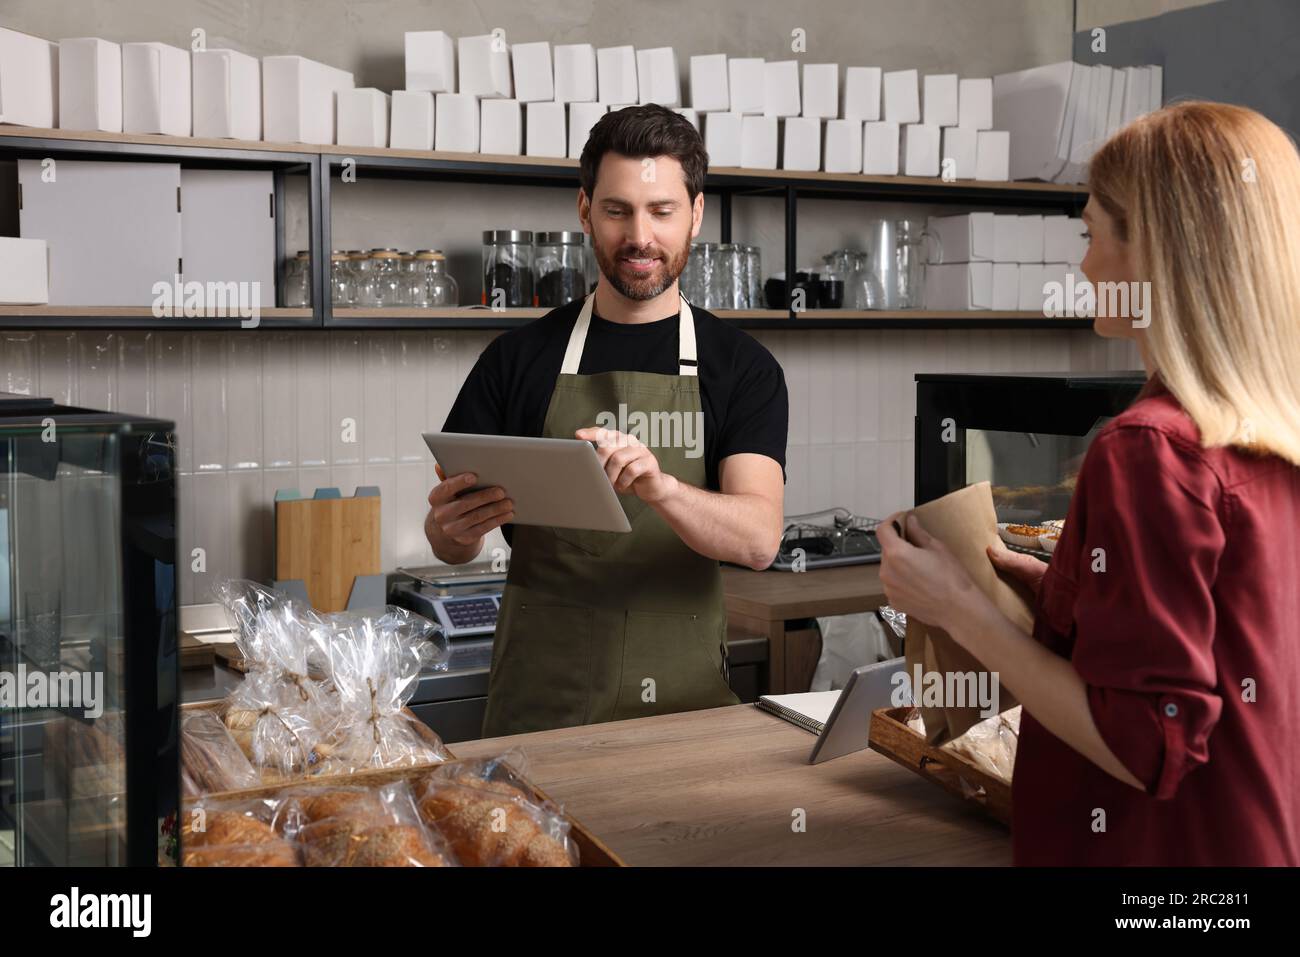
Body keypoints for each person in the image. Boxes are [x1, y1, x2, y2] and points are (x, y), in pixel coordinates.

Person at [877, 101, 1300, 865]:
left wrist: (961, 610)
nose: (1083, 266)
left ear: (1157, 253)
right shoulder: (1269, 434)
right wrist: (1069, 604)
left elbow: (1147, 746)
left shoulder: (1148, 450)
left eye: (1091, 233)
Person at [425, 105, 789, 737]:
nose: (639, 235)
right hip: (540, 702)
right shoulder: (517, 359)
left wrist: (662, 488)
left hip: (684, 705)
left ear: (696, 214)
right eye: (618, 210)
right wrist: (450, 529)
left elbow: (758, 541)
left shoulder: (743, 368)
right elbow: (451, 544)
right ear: (585, 210)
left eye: (662, 211)